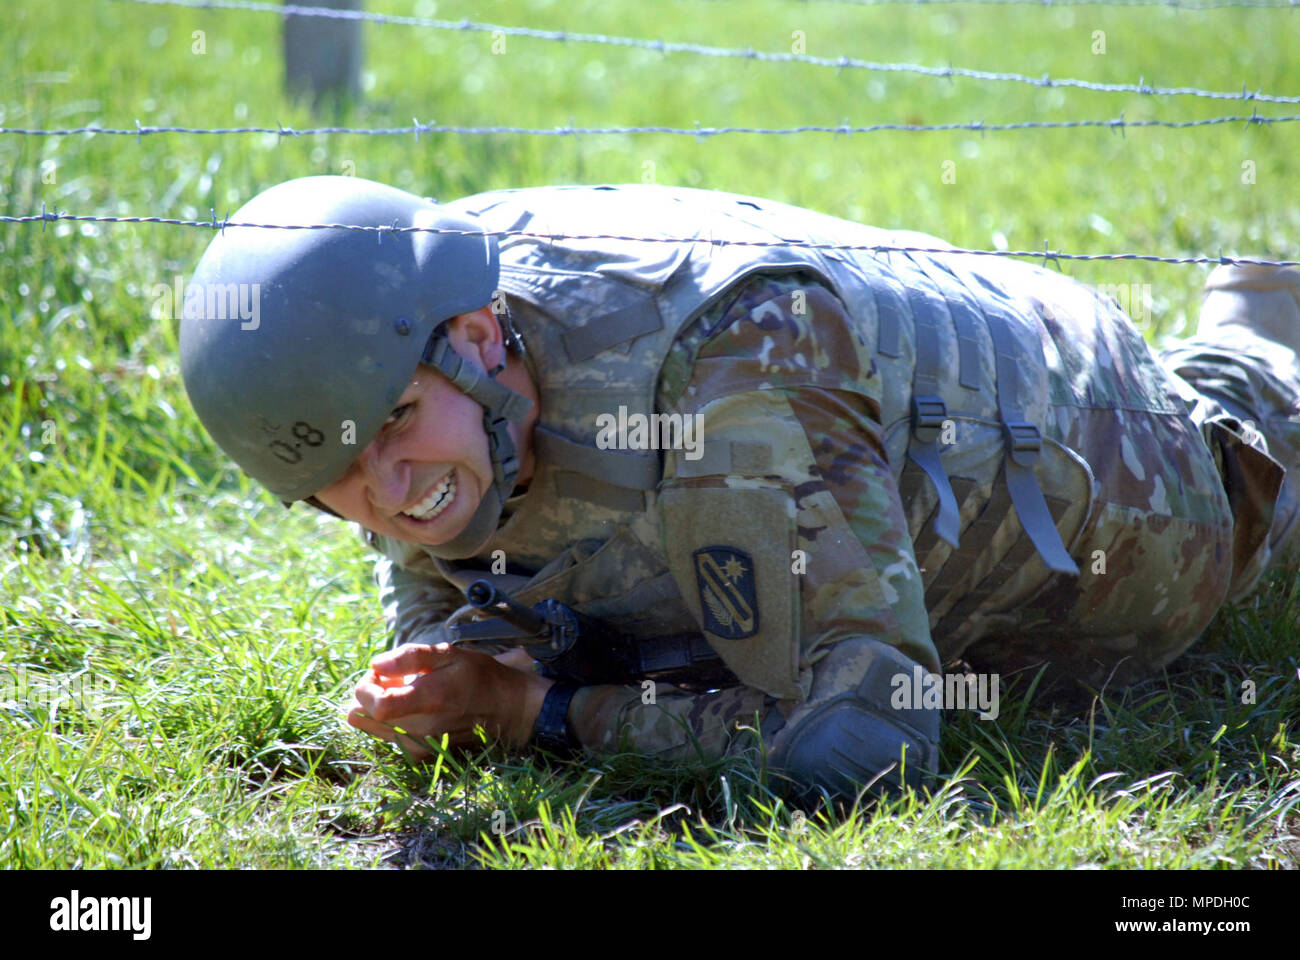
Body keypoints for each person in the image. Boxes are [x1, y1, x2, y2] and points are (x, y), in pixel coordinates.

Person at [178, 175, 1300, 804]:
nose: (389, 493)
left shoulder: (730, 379)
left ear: (477, 336)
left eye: (393, 429)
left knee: (1250, 468)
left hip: (1111, 467)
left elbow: (865, 746)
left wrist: (538, 713)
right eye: (337, 484)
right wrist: (446, 659)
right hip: (925, 378)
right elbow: (433, 551)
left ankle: (1257, 354)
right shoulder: (409, 332)